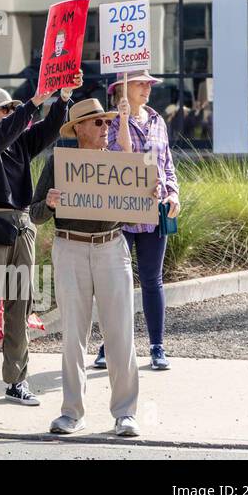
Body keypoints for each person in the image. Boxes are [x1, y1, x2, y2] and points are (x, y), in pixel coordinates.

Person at [0, 71, 80, 406]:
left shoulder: (19, 142)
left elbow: (47, 130)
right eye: (5, 109)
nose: (12, 113)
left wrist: (63, 99)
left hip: (22, 226)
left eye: (13, 109)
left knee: (20, 307)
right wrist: (32, 104)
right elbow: (6, 133)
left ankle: (16, 381)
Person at [31, 98, 141, 437]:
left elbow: (137, 209)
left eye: (107, 123)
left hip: (111, 248)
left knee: (120, 333)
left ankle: (125, 413)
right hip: (70, 248)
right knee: (73, 336)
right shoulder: (58, 163)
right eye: (97, 123)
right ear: (78, 128)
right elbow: (34, 214)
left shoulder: (121, 166)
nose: (105, 128)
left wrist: (148, 196)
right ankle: (71, 413)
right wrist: (48, 203)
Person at [94, 71, 182, 372]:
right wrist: (121, 122)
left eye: (149, 84)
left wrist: (173, 194)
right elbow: (120, 160)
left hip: (154, 213)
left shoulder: (158, 121)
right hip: (124, 213)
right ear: (124, 88)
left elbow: (167, 164)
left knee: (152, 280)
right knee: (117, 283)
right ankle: (110, 346)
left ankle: (157, 347)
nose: (147, 88)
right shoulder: (112, 123)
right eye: (141, 83)